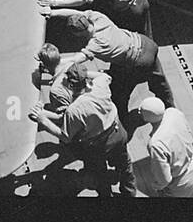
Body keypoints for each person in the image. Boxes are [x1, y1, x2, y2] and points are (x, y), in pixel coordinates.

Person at [29, 62, 136, 197]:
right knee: (125, 166)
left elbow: (65, 136)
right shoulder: (100, 85)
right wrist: (83, 75)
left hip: (99, 146)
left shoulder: (74, 111)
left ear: (70, 85)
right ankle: (130, 193)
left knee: (99, 174)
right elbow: (105, 76)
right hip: (118, 134)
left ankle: (105, 194)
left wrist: (42, 119)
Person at [56, 11, 174, 122]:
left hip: (138, 61)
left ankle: (123, 120)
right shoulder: (97, 17)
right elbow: (73, 12)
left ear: (78, 33)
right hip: (145, 43)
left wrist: (54, 61)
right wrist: (53, 11)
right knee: (158, 79)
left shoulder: (96, 44)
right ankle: (170, 108)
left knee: (120, 92)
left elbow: (76, 59)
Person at [135, 97, 193, 197]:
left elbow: (164, 179)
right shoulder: (173, 113)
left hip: (181, 184)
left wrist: (157, 186)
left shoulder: (156, 144)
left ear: (146, 118)